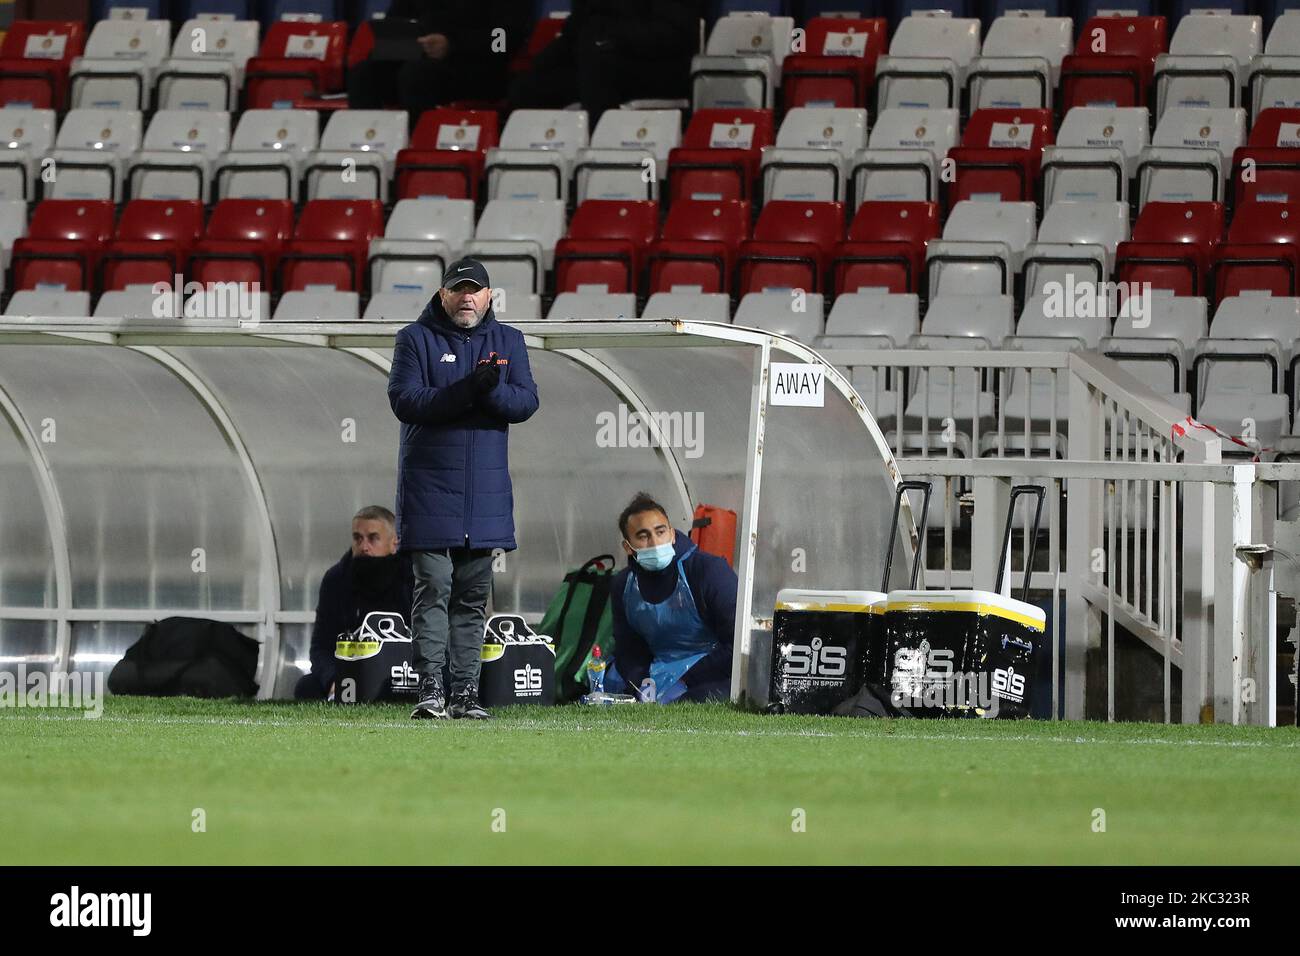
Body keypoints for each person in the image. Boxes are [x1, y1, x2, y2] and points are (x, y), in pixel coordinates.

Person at [388, 258, 539, 720]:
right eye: (458, 289)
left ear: (490, 296)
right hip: (430, 489)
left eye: (475, 290)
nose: (466, 297)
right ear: (442, 293)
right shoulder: (413, 339)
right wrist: (470, 388)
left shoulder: (509, 341)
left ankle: (465, 693)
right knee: (433, 587)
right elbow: (406, 401)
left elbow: (526, 402)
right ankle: (430, 688)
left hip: (485, 497)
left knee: (473, 596)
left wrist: (489, 391)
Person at [607, 491, 737, 704]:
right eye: (643, 536)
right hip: (657, 675)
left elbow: (737, 646)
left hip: (712, 674)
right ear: (628, 547)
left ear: (673, 534)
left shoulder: (709, 571)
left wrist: (685, 680)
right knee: (612, 682)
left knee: (693, 701)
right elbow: (627, 648)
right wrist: (642, 682)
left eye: (660, 532)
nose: (655, 542)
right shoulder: (623, 585)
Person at [506, 0, 705, 126]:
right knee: (526, 87)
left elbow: (678, 35)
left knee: (598, 65)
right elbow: (577, 29)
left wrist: (613, 39)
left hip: (658, 67)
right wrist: (540, 64)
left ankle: (600, 156)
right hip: (598, 62)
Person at [295, 506, 414, 701]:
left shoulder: (413, 578)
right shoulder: (337, 579)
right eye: (358, 538)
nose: (364, 546)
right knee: (307, 687)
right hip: (351, 674)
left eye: (373, 538)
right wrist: (333, 681)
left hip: (403, 675)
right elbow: (321, 646)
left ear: (395, 543)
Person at [347, 1, 531, 118]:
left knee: (415, 75)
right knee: (363, 73)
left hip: (478, 67)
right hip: (420, 59)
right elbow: (395, 23)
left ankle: (417, 154)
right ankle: (369, 151)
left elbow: (505, 39)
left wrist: (452, 45)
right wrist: (399, 44)